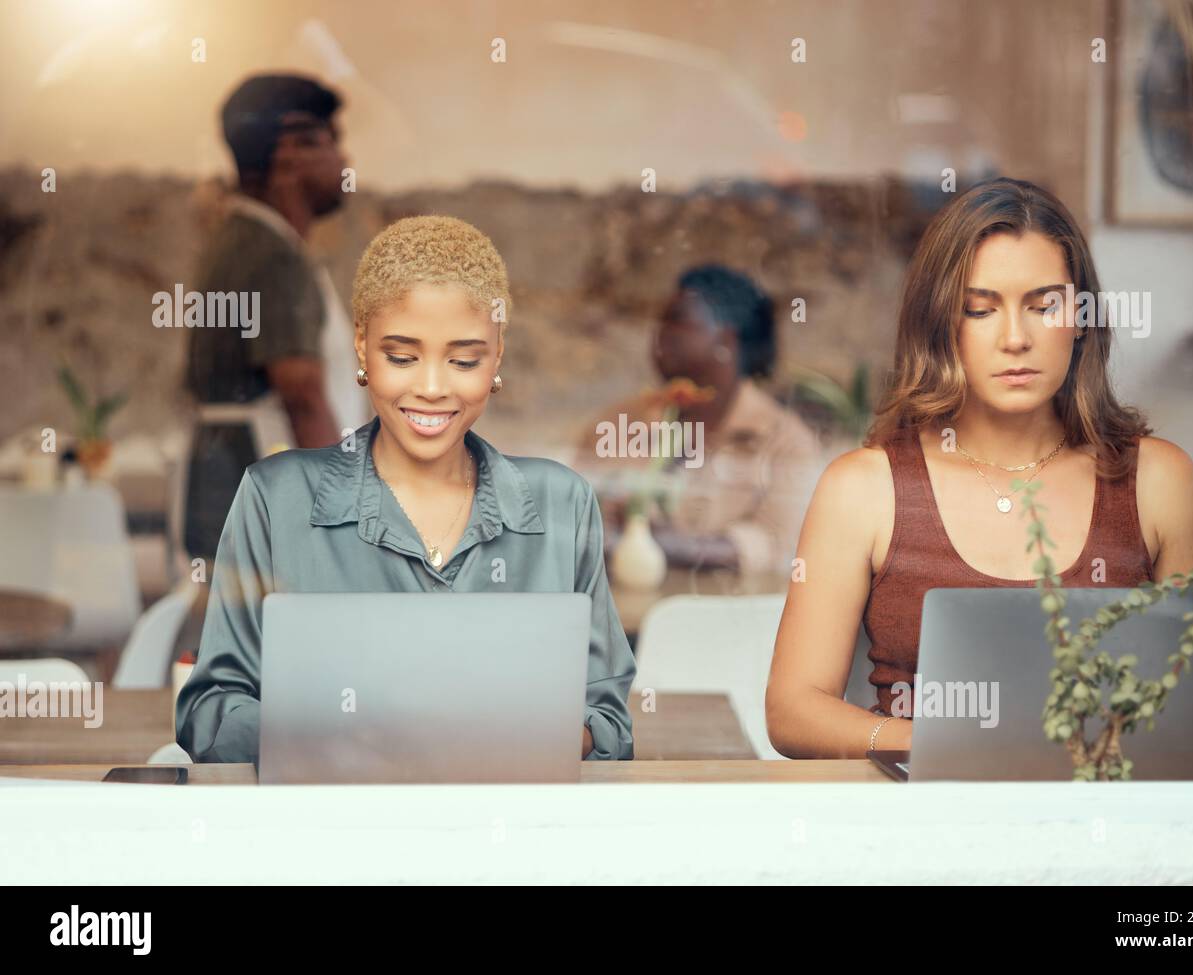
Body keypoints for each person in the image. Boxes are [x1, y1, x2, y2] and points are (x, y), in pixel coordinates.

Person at [766, 177, 1193, 758]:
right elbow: (792, 710)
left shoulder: (1159, 480)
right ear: (941, 325)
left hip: (1108, 823)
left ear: (1080, 318)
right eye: (979, 309)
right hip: (922, 820)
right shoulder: (863, 488)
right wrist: (943, 746)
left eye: (1043, 306)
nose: (1014, 338)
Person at [177, 215, 636, 764]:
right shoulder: (277, 500)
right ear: (361, 348)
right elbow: (209, 714)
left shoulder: (562, 505)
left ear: (498, 357)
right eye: (401, 357)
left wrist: (516, 738)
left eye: (464, 360)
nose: (433, 387)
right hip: (334, 834)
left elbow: (608, 722)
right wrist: (358, 739)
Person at [183, 73, 368, 563]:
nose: (345, 161)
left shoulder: (243, 238)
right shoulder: (271, 254)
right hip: (271, 510)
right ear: (292, 148)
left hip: (234, 495)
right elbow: (302, 396)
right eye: (335, 141)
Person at [577, 265, 821, 577]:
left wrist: (674, 547)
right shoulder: (618, 423)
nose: (659, 334)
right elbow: (576, 524)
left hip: (726, 620)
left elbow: (780, 546)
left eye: (677, 321)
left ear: (726, 341)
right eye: (661, 320)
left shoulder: (784, 441)